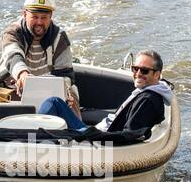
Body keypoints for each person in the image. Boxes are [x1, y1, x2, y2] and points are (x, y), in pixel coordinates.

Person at [0, 0, 80, 109]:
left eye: (44, 18)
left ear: (51, 17)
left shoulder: (60, 37)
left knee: (70, 98)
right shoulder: (12, 33)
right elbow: (13, 56)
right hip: (13, 89)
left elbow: (66, 74)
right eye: (35, 17)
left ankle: (75, 127)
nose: (39, 22)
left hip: (51, 91)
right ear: (25, 14)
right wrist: (22, 74)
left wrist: (63, 91)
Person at [39, 50, 172, 134]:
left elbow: (130, 134)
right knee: (55, 102)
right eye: (135, 68)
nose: (138, 74)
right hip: (99, 131)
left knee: (52, 103)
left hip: (97, 140)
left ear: (157, 75)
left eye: (144, 70)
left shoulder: (147, 100)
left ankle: (35, 143)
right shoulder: (149, 91)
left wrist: (89, 135)